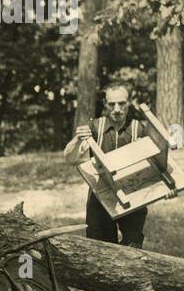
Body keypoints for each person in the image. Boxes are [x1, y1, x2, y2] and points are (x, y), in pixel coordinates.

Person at [63, 81, 148, 250]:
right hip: (100, 198)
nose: (117, 109)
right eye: (112, 104)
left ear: (129, 102)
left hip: (133, 196)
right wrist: (78, 139)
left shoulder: (139, 129)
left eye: (122, 103)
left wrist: (169, 188)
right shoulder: (94, 127)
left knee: (133, 249)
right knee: (98, 249)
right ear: (105, 104)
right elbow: (70, 158)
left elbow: (156, 163)